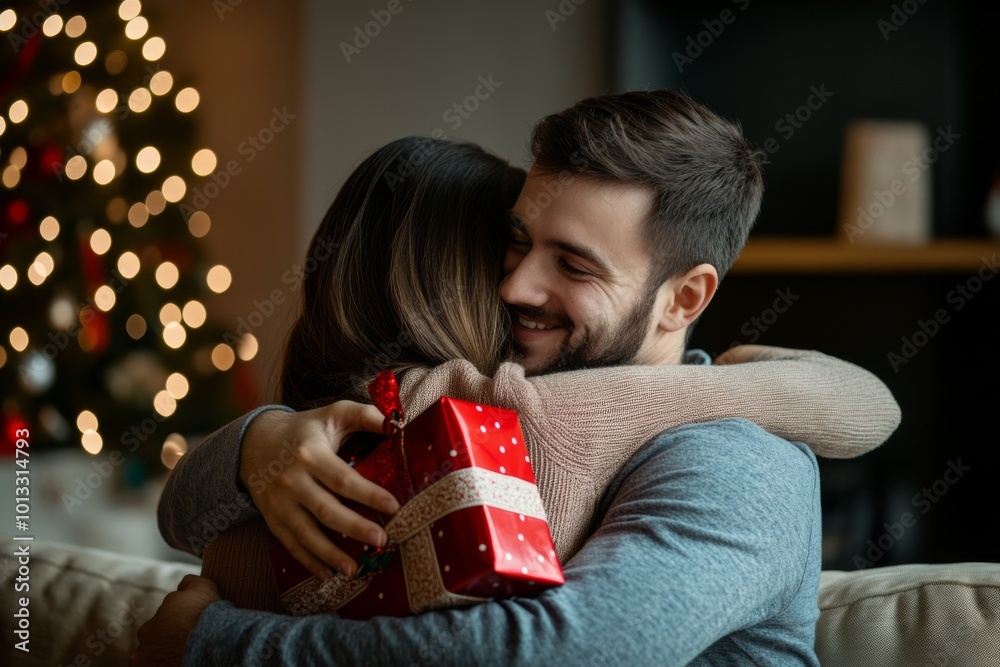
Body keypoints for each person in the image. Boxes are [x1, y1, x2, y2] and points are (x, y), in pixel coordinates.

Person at [135, 90, 901, 666]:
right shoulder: (474, 403)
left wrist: (214, 642)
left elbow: (561, 653)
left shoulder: (738, 459)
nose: (515, 286)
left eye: (573, 265)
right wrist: (259, 441)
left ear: (685, 298)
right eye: (518, 239)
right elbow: (183, 518)